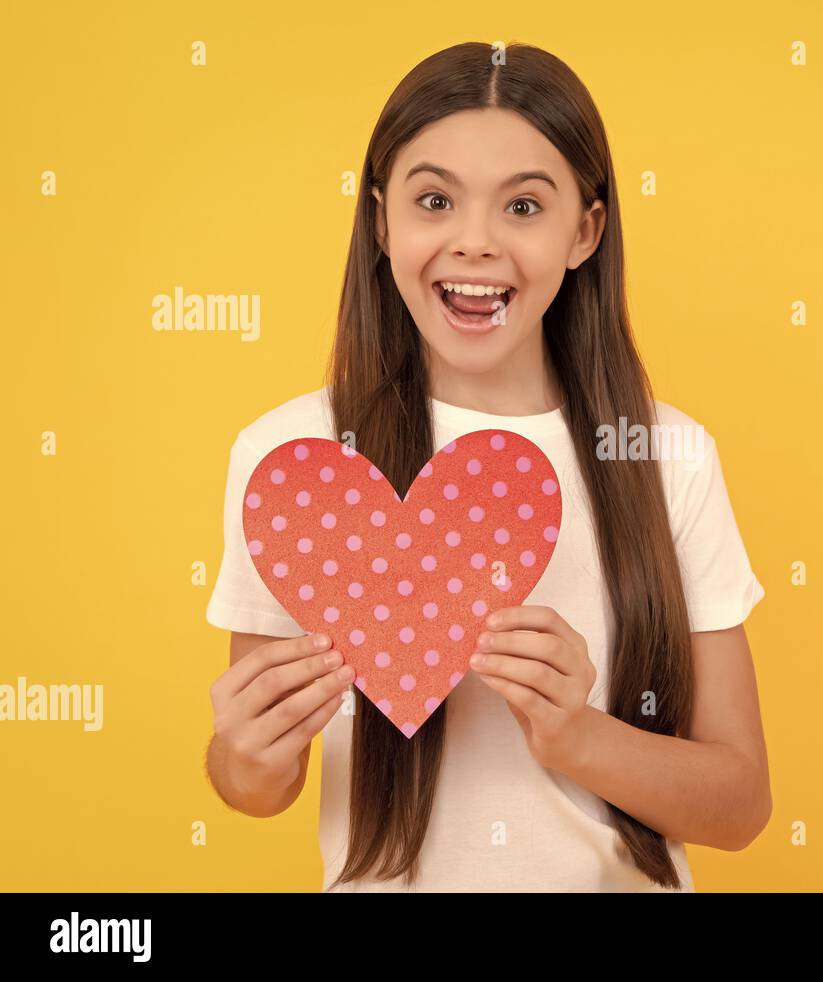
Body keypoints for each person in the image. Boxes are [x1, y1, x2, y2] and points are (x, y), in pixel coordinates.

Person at [204, 42, 769, 892]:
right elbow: (255, 788)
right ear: (382, 221)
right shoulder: (297, 463)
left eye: (523, 207)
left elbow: (741, 804)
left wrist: (576, 732)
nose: (475, 244)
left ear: (586, 231)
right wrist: (246, 752)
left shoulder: (667, 458)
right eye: (435, 200)